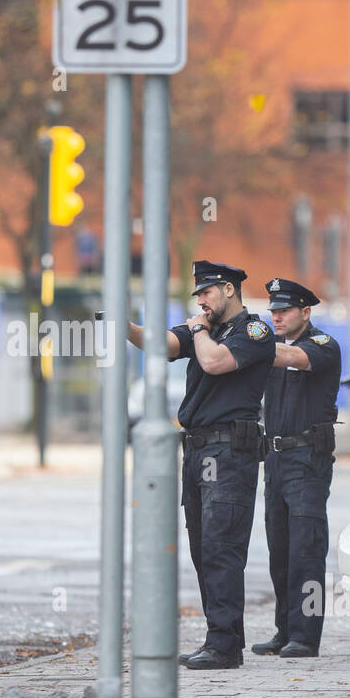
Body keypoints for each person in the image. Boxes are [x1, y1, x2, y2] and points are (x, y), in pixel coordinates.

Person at [126, 260, 272, 670]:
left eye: (206, 292)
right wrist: (125, 325)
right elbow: (158, 344)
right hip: (196, 450)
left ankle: (224, 646)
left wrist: (199, 329)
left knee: (222, 548)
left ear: (228, 289)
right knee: (203, 548)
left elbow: (214, 363)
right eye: (198, 296)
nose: (201, 302)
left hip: (229, 451)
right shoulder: (205, 330)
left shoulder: (253, 332)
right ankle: (222, 639)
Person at [251, 278, 340, 659]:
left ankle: (306, 637)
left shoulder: (321, 346)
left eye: (284, 310)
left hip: (307, 460)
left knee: (307, 550)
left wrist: (249, 342)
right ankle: (285, 631)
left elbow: (292, 359)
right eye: (273, 311)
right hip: (274, 459)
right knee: (280, 551)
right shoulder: (273, 350)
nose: (276, 316)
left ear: (305, 311)